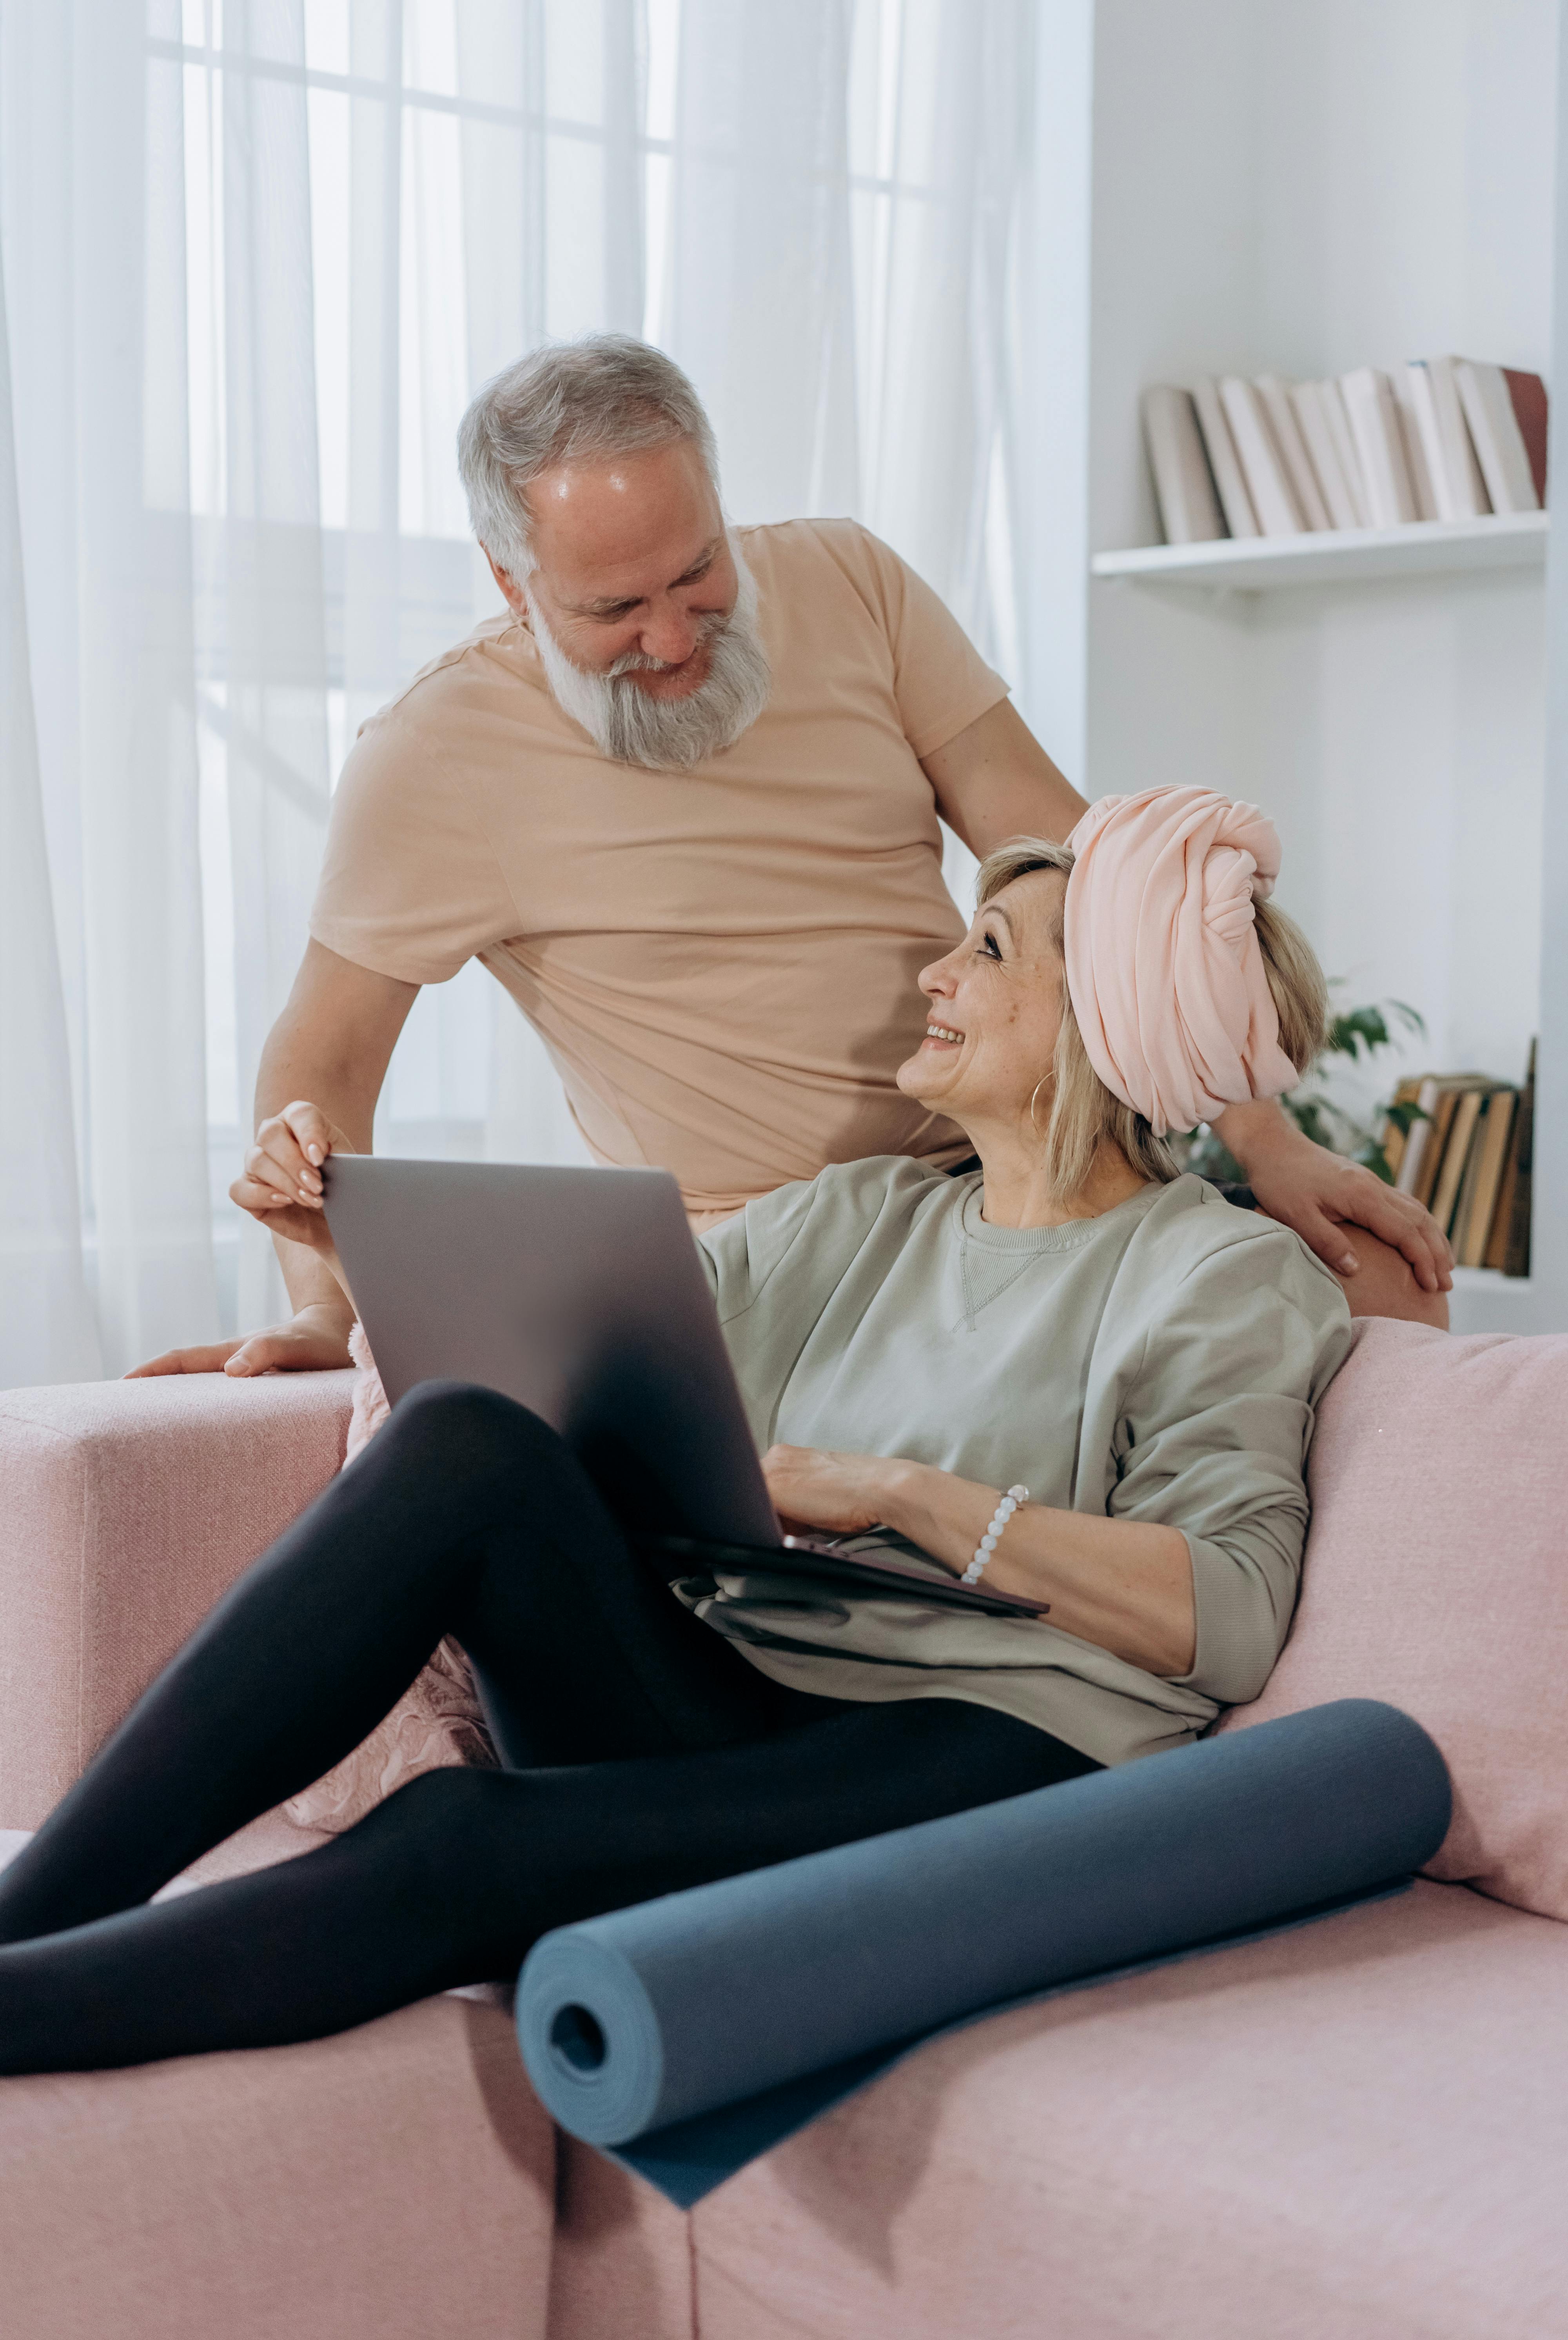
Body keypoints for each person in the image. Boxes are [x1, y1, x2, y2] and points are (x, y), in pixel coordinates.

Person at [0, 789, 1353, 2075]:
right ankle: (28, 1913)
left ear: (1106, 1022)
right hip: (740, 1699)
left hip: (999, 1756)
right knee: (467, 1437)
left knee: (458, 1840)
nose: (937, 975)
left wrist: (908, 1495)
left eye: (989, 950)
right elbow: (567, 1382)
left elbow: (1231, 1610)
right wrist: (342, 1255)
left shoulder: (1224, 1276)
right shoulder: (856, 1216)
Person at [131, 338, 1446, 1389]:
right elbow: (326, 1062)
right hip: (761, 1251)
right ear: (511, 581)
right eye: (613, 609)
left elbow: (1087, 881)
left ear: (717, 497)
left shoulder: (853, 583)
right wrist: (324, 1305)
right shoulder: (435, 754)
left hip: (1016, 1176)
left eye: (699, 571)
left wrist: (1266, 1146)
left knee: (1383, 1288)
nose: (674, 634)